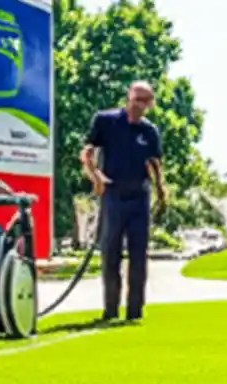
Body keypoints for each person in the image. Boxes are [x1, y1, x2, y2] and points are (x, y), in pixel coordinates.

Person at [80, 81, 168, 323]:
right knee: (111, 253)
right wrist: (95, 176)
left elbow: (154, 163)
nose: (139, 105)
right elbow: (87, 152)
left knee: (139, 255)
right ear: (128, 97)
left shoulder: (149, 131)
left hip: (139, 196)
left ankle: (134, 311)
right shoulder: (105, 121)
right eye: (136, 99)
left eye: (145, 101)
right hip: (112, 194)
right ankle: (110, 310)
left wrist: (161, 190)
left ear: (150, 104)